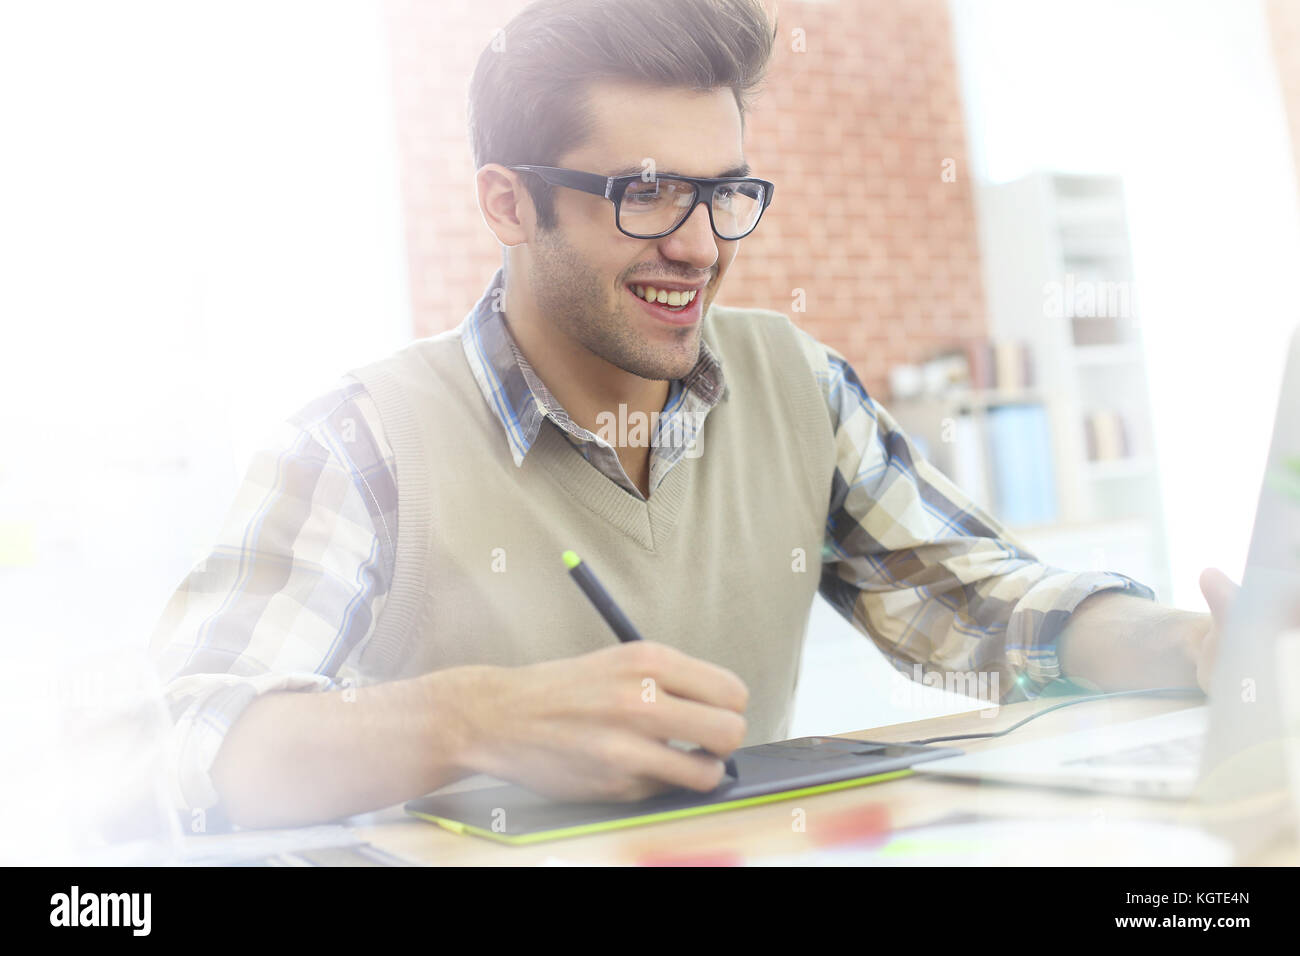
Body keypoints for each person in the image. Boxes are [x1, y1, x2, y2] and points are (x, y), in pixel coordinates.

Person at [150, 0, 1236, 829]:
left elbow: (982, 602)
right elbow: (198, 747)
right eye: (647, 193)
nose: (702, 246)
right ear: (506, 201)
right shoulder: (363, 443)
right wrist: (471, 719)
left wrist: (1193, 647)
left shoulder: (793, 381)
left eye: (725, 193)